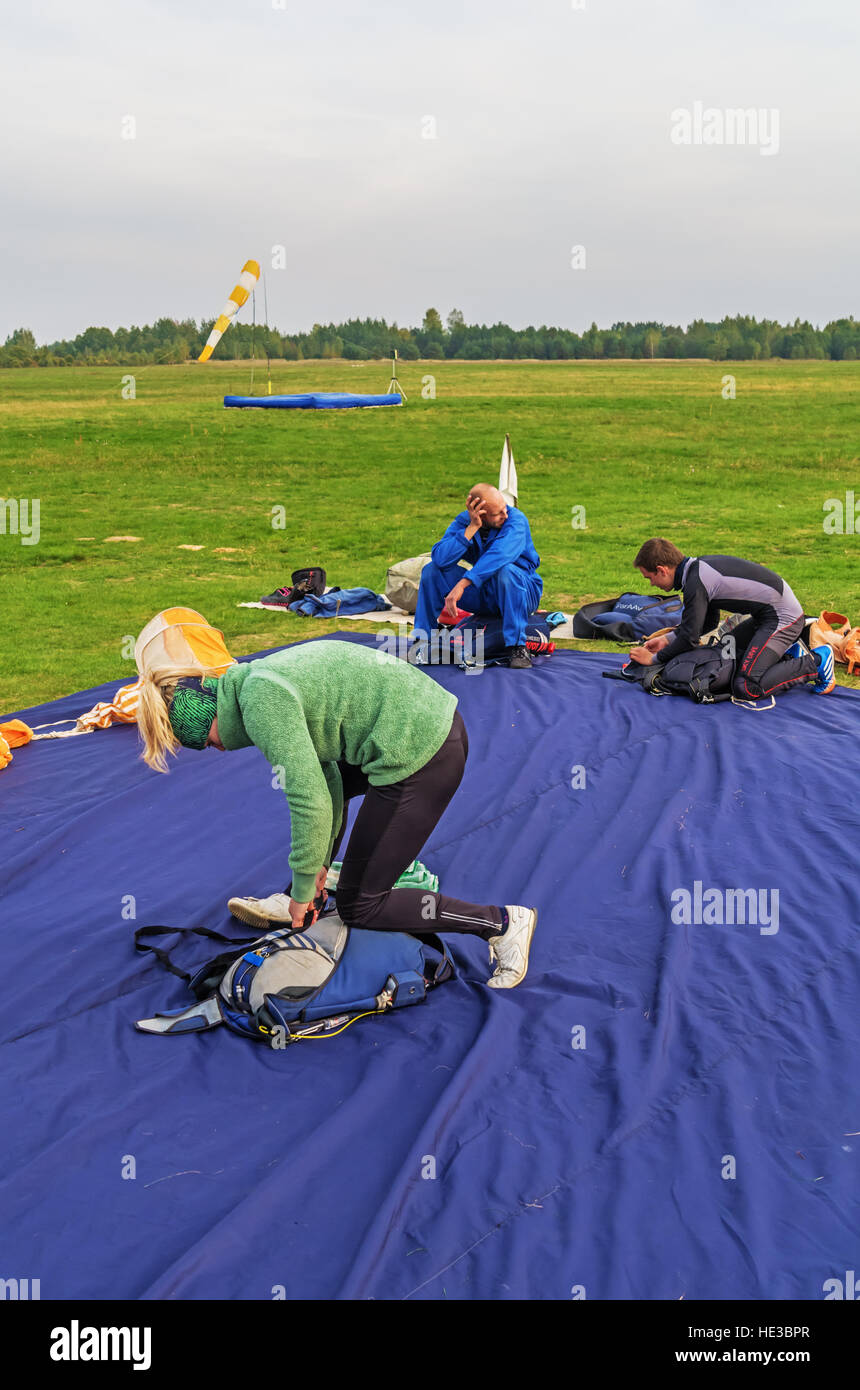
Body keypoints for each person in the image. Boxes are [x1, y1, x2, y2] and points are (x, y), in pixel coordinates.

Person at [136, 631, 538, 988]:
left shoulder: (262, 702)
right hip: (427, 725)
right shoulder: (256, 681)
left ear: (207, 717)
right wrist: (307, 882)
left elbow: (307, 797)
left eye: (205, 743)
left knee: (361, 905)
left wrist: (306, 875)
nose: (216, 750)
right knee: (337, 792)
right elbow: (328, 781)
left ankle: (501, 924)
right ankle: (307, 894)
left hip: (423, 752)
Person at [629, 539, 835, 698]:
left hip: (782, 619)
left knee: (746, 686)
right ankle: (787, 657)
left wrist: (654, 659)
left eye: (650, 578)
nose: (651, 585)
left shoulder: (695, 582)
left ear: (662, 570)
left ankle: (817, 661)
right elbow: (707, 624)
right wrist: (666, 640)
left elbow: (689, 638)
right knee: (726, 652)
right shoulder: (696, 571)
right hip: (767, 617)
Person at [412, 483, 542, 668]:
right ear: (479, 513)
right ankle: (422, 642)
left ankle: (517, 647)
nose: (505, 514)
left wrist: (463, 584)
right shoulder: (465, 522)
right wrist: (471, 529)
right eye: (497, 513)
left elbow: (499, 556)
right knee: (431, 572)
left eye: (505, 508)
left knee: (506, 572)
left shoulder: (517, 520)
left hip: (522, 590)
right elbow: (440, 558)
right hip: (485, 591)